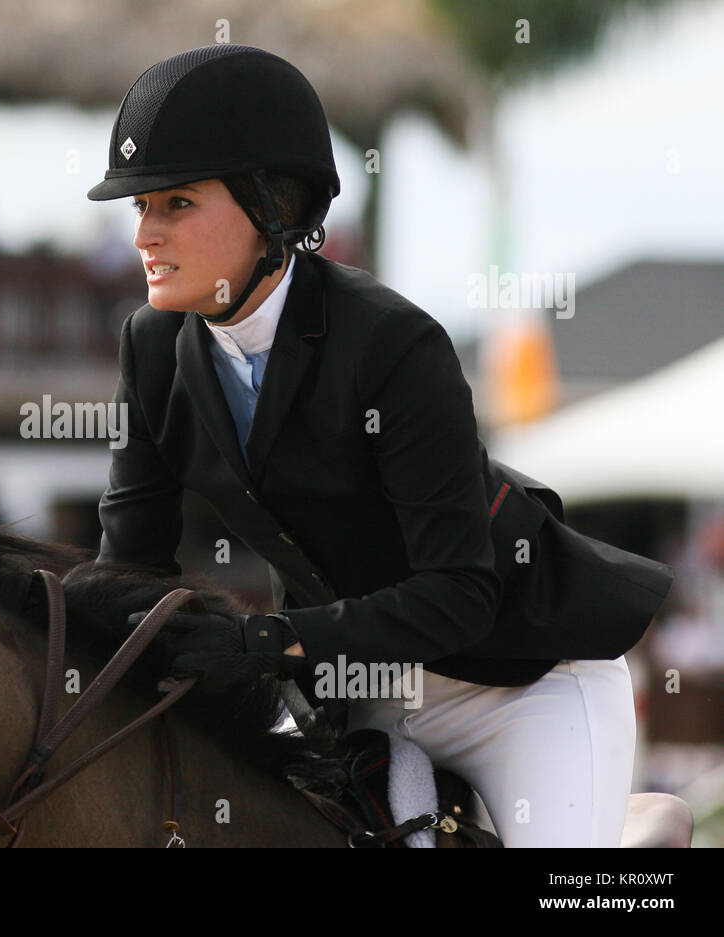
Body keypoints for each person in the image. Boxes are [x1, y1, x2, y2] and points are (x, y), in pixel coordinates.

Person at [88, 44, 674, 847]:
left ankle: (640, 840)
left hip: (518, 683)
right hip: (352, 693)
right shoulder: (151, 348)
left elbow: (459, 592)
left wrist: (268, 641)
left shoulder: (391, 342)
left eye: (176, 204)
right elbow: (129, 570)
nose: (145, 235)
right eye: (140, 207)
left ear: (269, 205)